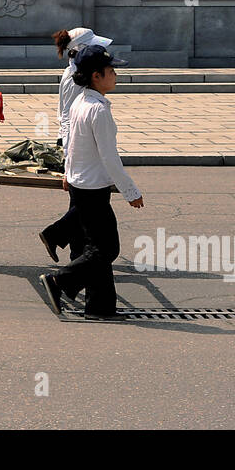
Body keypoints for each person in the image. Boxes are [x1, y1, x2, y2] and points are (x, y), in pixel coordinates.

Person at [39, 45, 145, 320]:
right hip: (92, 188)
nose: (115, 76)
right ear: (96, 75)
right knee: (107, 249)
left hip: (80, 183)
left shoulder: (81, 102)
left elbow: (71, 144)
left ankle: (100, 307)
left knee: (93, 248)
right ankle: (60, 281)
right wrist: (130, 191)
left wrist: (67, 173)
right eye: (111, 71)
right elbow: (110, 158)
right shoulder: (98, 110)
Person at [38, 26, 112, 264]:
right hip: (76, 142)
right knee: (89, 202)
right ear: (80, 50)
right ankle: (71, 248)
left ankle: (73, 249)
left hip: (78, 141)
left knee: (86, 202)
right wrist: (70, 158)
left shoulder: (76, 73)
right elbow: (69, 118)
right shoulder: (74, 79)